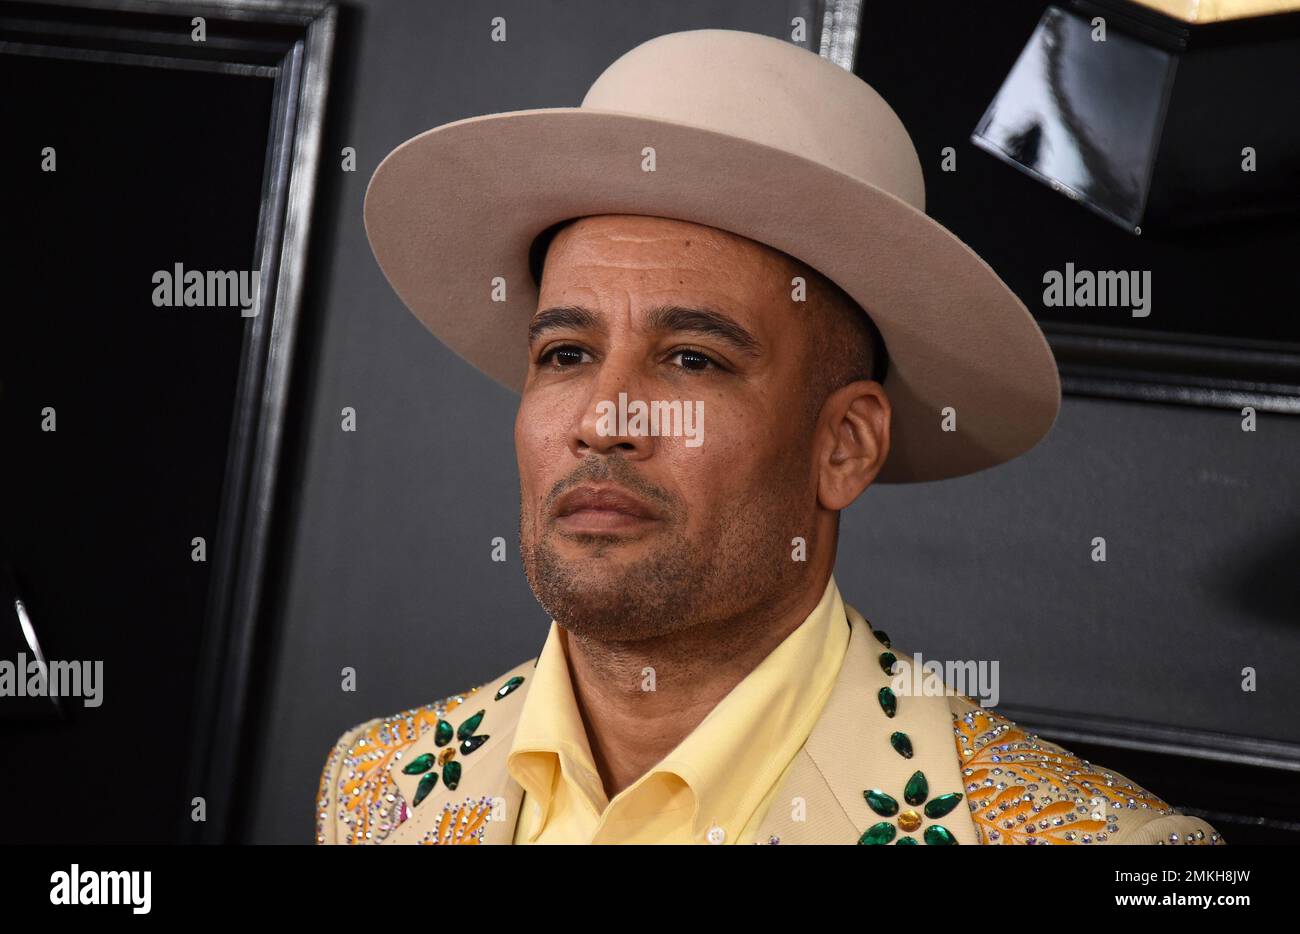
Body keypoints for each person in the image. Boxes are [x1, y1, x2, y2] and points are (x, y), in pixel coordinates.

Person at [316, 29, 1223, 845]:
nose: (605, 420)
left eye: (693, 361)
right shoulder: (374, 792)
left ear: (845, 446)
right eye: (564, 352)